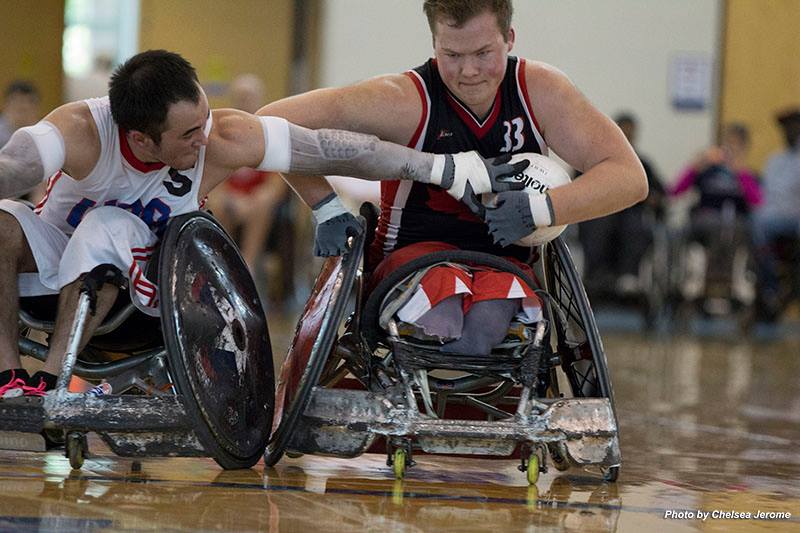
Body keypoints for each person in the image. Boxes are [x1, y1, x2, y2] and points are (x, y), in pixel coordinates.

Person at [0, 49, 524, 396]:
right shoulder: (78, 129)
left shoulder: (221, 134)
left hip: (149, 298)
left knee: (106, 226)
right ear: (139, 139)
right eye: (187, 134)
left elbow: (330, 148)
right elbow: (14, 168)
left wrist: (445, 168)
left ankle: (49, 385)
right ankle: (8, 377)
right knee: (4, 220)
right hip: (52, 274)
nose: (205, 138)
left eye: (204, 119)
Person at [258, 0, 647, 354]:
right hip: (410, 260)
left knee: (494, 314)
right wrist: (324, 206)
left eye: (483, 53)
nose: (469, 71)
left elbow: (629, 177)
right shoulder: (402, 99)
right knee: (444, 308)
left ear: (509, 39)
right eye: (452, 55)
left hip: (504, 265)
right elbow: (269, 123)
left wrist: (544, 207)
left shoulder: (541, 90)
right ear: (434, 46)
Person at [206, 74, 291, 272]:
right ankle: (219, 263)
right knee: (218, 202)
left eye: (250, 97)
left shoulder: (272, 132)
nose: (245, 102)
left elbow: (276, 185)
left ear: (260, 99)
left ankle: (248, 263)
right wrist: (232, 199)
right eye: (241, 97)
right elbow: (213, 178)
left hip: (257, 201)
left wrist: (252, 203)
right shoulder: (220, 132)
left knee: (263, 200)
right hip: (230, 198)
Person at [579, 112, 665, 295]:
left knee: (634, 225)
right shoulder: (594, 159)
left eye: (631, 135)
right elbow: (576, 186)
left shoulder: (642, 164)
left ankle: (629, 275)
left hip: (631, 214)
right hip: (600, 213)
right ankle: (596, 274)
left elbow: (660, 193)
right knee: (599, 224)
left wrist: (653, 198)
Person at [751, 108, 800, 320]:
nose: (789, 132)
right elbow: (764, 194)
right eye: (786, 128)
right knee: (754, 224)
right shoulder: (775, 161)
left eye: (794, 128)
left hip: (795, 216)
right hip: (772, 217)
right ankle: (771, 288)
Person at [0, 80, 40, 148]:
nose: (24, 106)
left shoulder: (43, 135)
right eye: (19, 101)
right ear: (5, 105)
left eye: (31, 102)